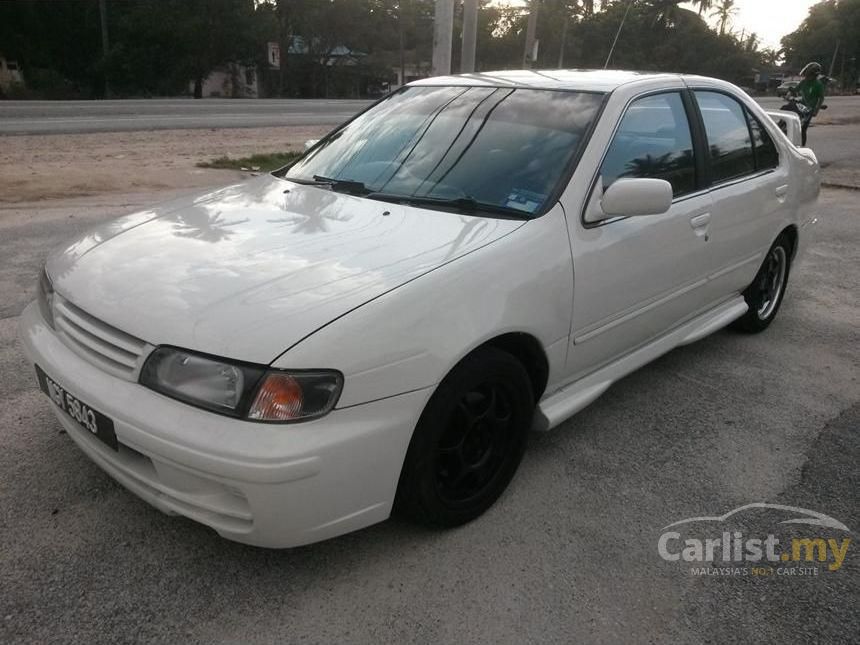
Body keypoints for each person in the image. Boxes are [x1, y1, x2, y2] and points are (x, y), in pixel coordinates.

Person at [793, 62, 826, 146]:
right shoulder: (804, 82)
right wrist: (789, 92)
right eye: (806, 75)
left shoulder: (818, 85)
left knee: (802, 129)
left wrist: (816, 110)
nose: (806, 77)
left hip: (809, 109)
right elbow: (796, 90)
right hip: (801, 106)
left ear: (814, 75)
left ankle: (802, 147)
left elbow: (821, 98)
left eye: (809, 75)